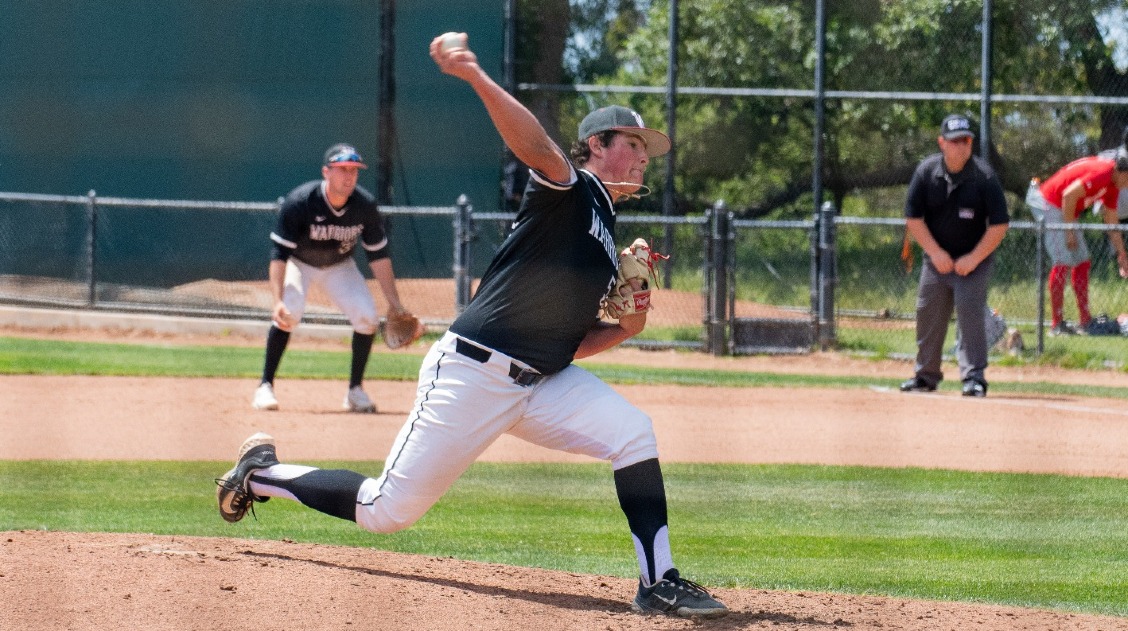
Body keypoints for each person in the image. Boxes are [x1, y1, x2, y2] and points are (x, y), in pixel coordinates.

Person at [216, 32, 728, 619]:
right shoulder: (573, 189)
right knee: (387, 511)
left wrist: (626, 330)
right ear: (595, 144)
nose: (643, 156)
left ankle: (657, 581)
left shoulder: (606, 234)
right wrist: (477, 77)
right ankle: (261, 475)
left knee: (633, 433)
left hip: (539, 382)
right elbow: (535, 148)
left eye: (647, 149)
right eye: (633, 143)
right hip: (471, 372)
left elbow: (567, 343)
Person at [251, 144, 413, 413]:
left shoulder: (364, 206)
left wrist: (395, 303)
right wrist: (276, 300)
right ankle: (265, 386)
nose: (349, 176)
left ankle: (355, 391)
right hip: (299, 263)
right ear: (326, 172)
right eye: (342, 170)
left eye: (354, 171)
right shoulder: (301, 201)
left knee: (366, 317)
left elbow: (379, 257)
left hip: (339, 266)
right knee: (288, 313)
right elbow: (279, 254)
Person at [899, 114, 1010, 398]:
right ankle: (926, 376)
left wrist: (973, 258)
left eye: (967, 140)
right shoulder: (927, 172)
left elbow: (999, 225)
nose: (962, 146)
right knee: (928, 312)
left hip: (974, 260)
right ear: (942, 143)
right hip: (937, 260)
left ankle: (973, 378)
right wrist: (935, 253)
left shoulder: (983, 177)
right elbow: (913, 217)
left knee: (969, 310)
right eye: (955, 141)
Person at [1025, 147, 1128, 335]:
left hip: (1065, 210)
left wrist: (1122, 254)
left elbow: (1111, 220)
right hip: (1048, 203)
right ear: (1121, 172)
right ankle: (1057, 325)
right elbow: (1068, 195)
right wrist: (1069, 231)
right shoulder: (1102, 173)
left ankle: (1085, 320)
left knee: (1082, 260)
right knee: (1063, 259)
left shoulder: (1113, 184)